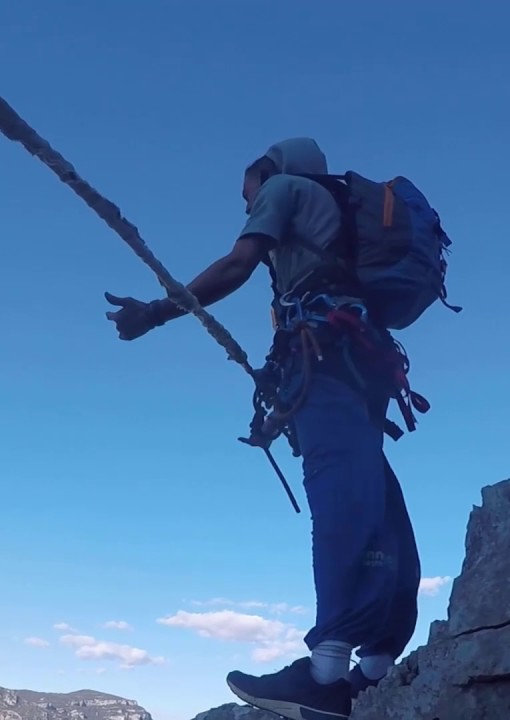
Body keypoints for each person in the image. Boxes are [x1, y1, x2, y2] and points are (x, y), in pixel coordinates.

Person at [105, 138, 421, 719]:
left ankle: (327, 670)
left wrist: (155, 312)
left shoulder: (283, 189)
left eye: (245, 187)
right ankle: (374, 668)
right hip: (360, 366)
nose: (245, 201)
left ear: (267, 170)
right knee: (377, 500)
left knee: (340, 497)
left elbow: (237, 265)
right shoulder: (336, 218)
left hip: (328, 358)